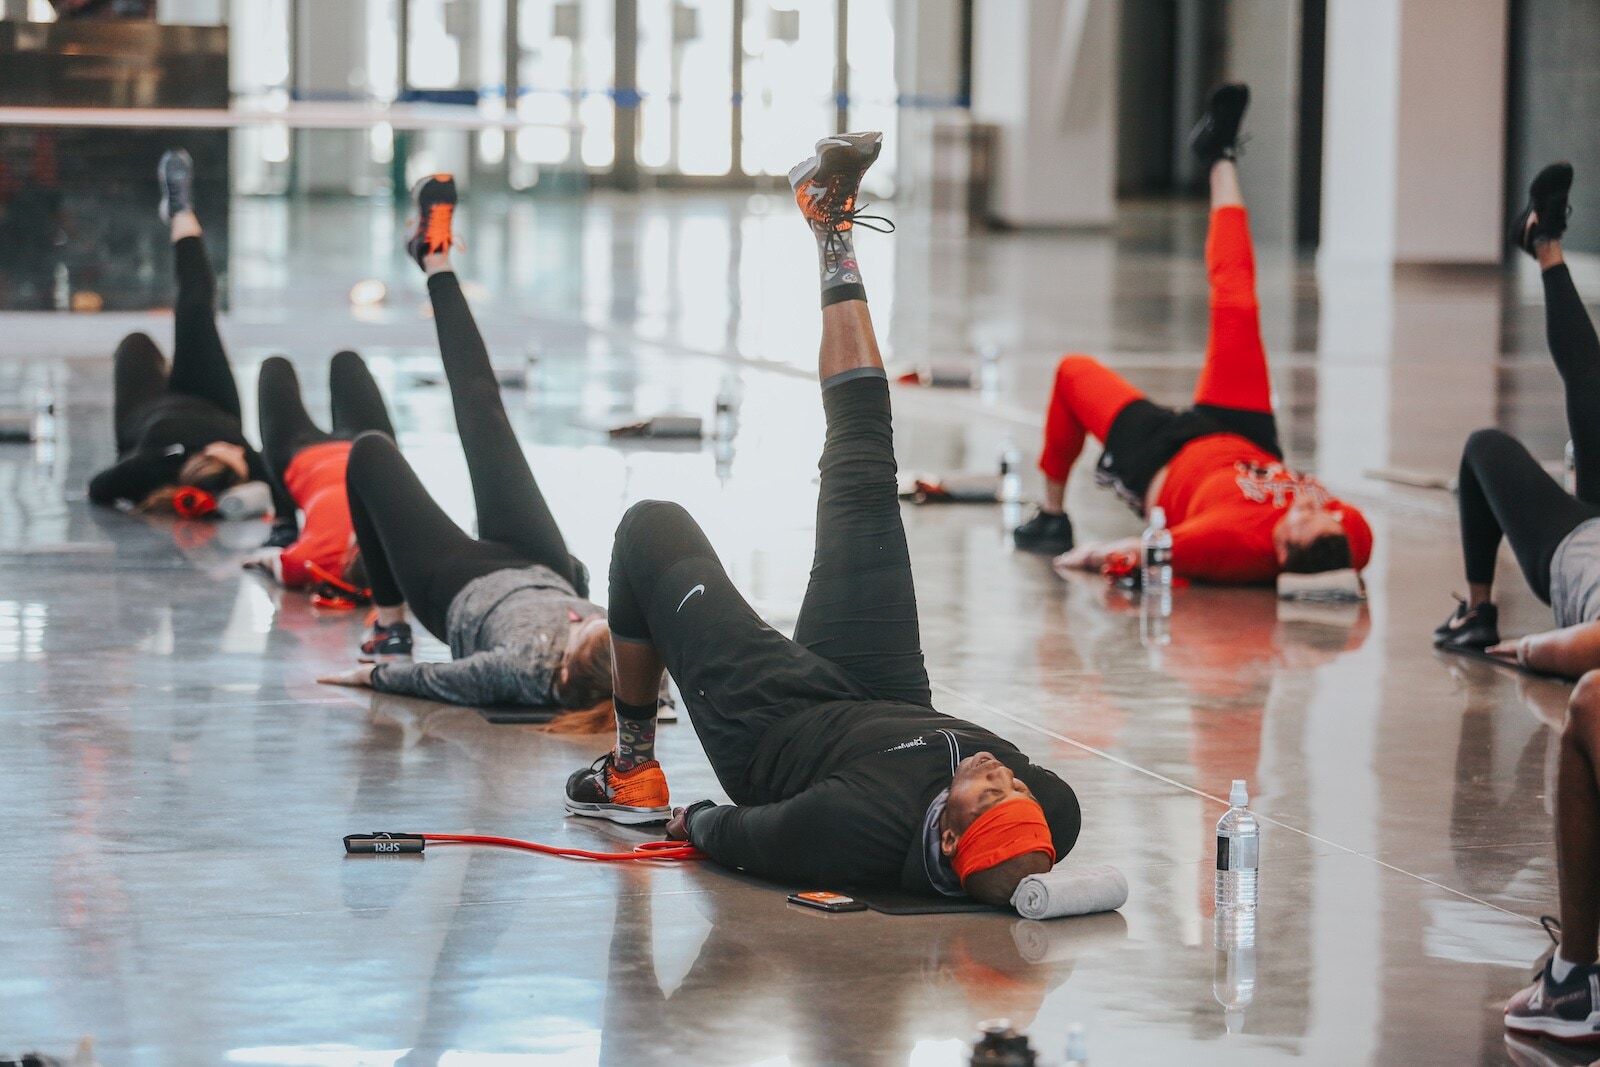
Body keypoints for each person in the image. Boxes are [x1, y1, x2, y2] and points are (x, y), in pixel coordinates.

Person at [561, 132, 1080, 907]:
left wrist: (697, 820)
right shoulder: (1051, 813)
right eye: (1016, 791)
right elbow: (1032, 831)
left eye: (991, 795)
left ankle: (632, 763)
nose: (1003, 775)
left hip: (779, 725)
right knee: (867, 454)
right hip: (885, 687)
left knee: (649, 528)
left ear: (944, 835)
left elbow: (753, 837)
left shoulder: (857, 827)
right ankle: (830, 222)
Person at [1013, 85, 1373, 585]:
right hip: (1247, 438)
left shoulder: (1233, 541)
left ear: (1284, 558)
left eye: (1293, 531)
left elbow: (1145, 551)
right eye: (1314, 517)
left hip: (1164, 454)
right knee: (1238, 301)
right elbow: (1350, 542)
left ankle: (1051, 517)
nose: (1300, 512)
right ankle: (1219, 156)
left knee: (1072, 373)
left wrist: (1094, 557)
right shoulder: (1348, 533)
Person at [316, 175, 612, 718]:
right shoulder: (635, 666)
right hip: (542, 565)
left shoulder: (518, 671)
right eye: (591, 620)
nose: (580, 619)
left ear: (565, 667)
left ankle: (389, 626)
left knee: (370, 453)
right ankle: (436, 259)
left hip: (458, 588)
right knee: (483, 407)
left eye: (581, 631)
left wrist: (375, 673)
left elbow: (434, 678)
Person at [1434, 163, 1600, 678]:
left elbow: (1587, 652)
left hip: (1573, 548)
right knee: (1591, 382)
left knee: (1484, 448)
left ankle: (1477, 614)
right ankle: (1542, 238)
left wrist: (1529, 650)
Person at [88, 149, 293, 527]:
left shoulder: (150, 471)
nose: (239, 449)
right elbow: (284, 505)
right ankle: (181, 211)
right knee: (196, 305)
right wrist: (233, 497)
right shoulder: (246, 461)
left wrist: (161, 466)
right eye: (240, 455)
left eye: (229, 453)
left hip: (142, 411)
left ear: (205, 461)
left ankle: (181, 213)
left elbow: (98, 488)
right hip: (209, 397)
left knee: (136, 341)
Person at [241, 352, 396, 592]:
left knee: (344, 361)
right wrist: (263, 557)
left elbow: (276, 561)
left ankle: (285, 520)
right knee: (276, 367)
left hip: (352, 452)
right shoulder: (315, 560)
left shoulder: (318, 560)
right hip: (333, 454)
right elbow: (272, 559)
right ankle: (285, 521)